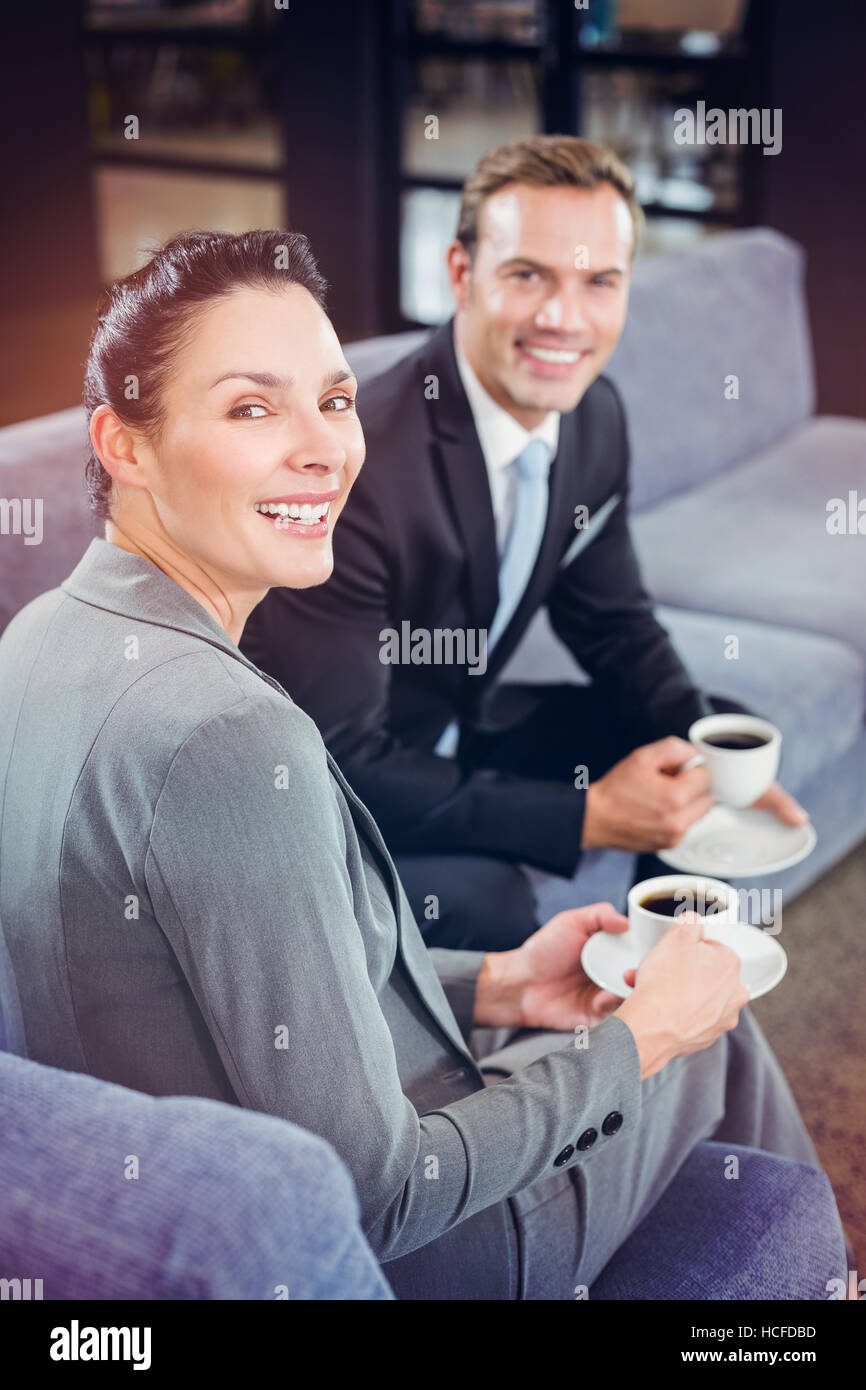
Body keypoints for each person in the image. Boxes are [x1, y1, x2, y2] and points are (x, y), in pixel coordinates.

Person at [0, 229, 839, 1300]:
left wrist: (499, 979)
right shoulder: (224, 735)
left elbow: (208, 981)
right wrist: (639, 1035)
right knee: (704, 1024)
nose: (323, 450)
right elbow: (380, 1193)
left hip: (218, 1134)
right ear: (124, 445)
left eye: (335, 400)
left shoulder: (36, 640)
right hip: (437, 1253)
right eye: (253, 408)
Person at [240, 137, 808, 952]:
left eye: (598, 282)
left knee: (707, 740)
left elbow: (613, 623)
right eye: (528, 274)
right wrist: (589, 815)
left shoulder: (595, 416)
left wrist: (710, 757)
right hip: (321, 792)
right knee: (487, 901)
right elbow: (340, 756)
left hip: (461, 725)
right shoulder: (353, 462)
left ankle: (664, 987)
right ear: (463, 274)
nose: (563, 318)